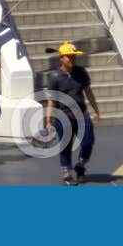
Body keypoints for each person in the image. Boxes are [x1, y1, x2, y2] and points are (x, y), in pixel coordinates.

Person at [44, 40, 100, 185]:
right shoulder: (54, 77)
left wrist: (96, 110)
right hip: (64, 116)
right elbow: (51, 101)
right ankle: (67, 173)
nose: (72, 59)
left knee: (88, 142)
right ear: (61, 58)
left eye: (74, 56)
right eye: (69, 56)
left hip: (82, 114)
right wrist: (49, 121)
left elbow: (88, 92)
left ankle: (81, 165)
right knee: (66, 146)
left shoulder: (81, 72)